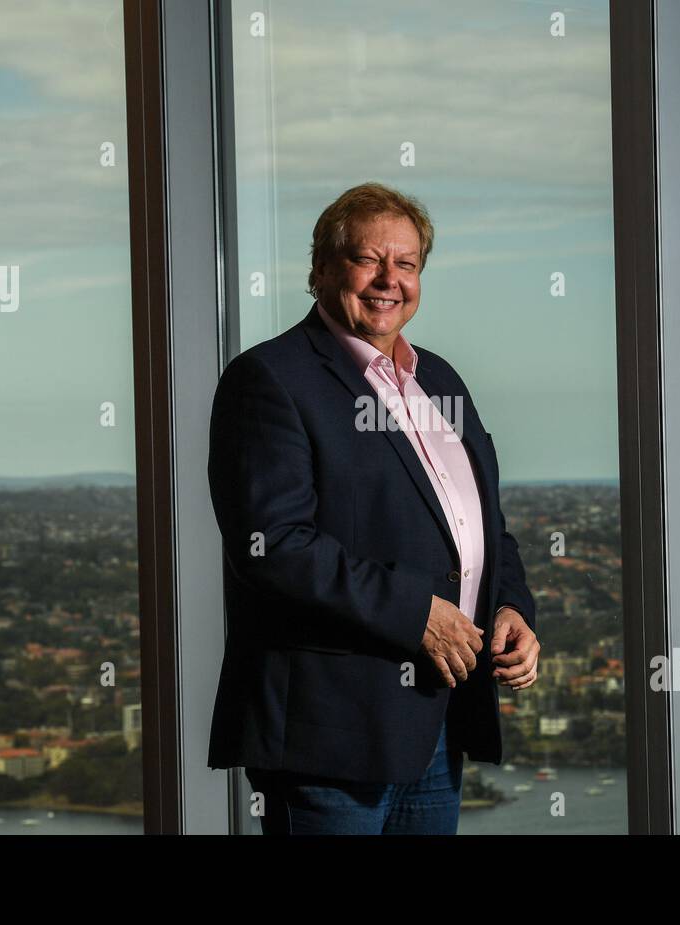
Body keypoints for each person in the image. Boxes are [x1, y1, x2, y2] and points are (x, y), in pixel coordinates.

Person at [206, 181, 540, 835]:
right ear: (323, 269)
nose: (390, 279)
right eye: (368, 259)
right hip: (331, 734)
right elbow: (275, 546)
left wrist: (513, 607)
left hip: (437, 720)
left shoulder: (440, 379)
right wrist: (417, 613)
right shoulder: (270, 379)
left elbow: (480, 522)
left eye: (407, 264)